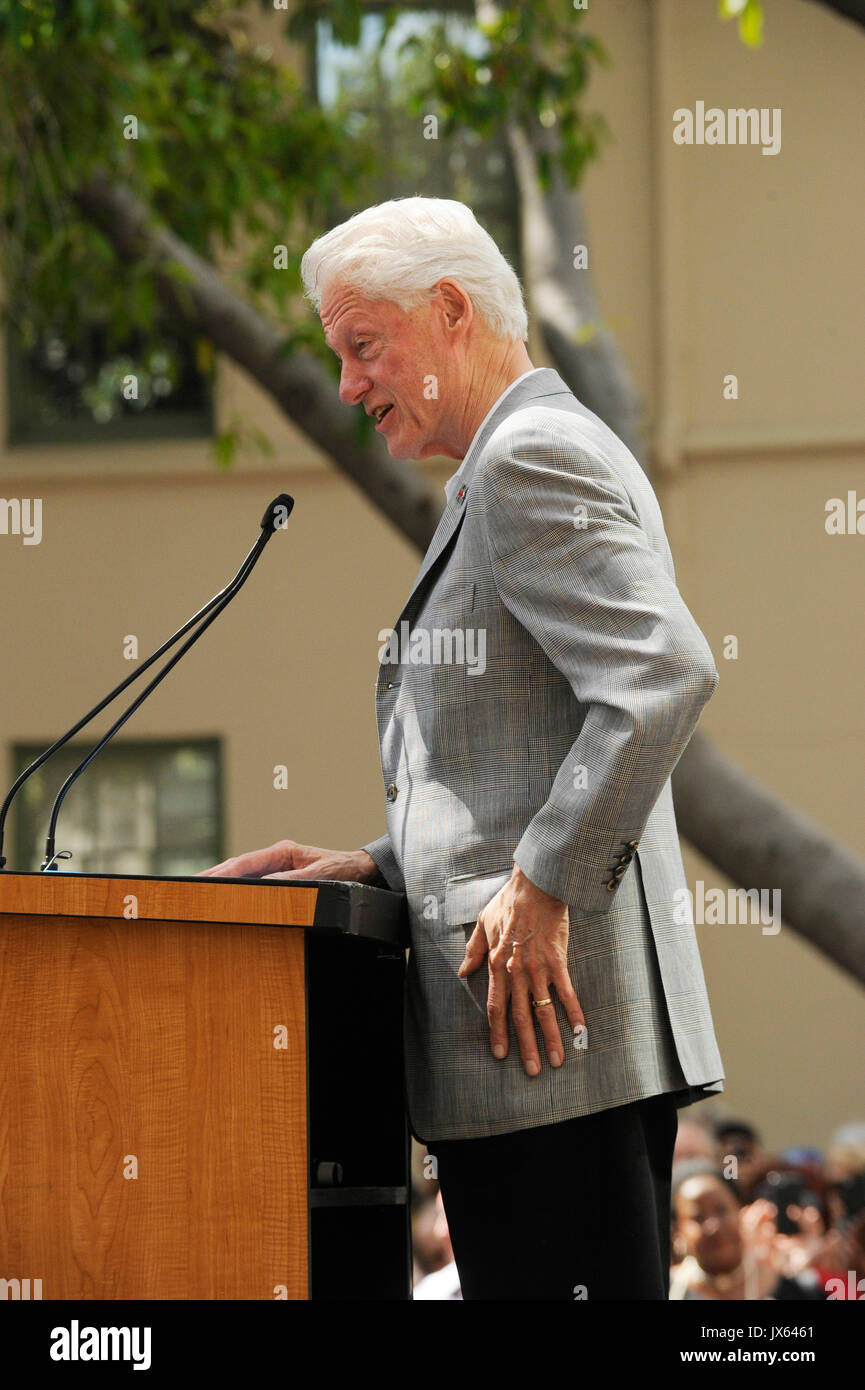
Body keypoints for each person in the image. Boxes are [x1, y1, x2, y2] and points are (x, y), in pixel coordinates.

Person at [201, 197, 724, 1300]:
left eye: (362, 345)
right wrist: (375, 866)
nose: (347, 386)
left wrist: (543, 880)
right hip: (540, 1055)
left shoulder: (529, 454)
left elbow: (661, 674)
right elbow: (515, 760)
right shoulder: (522, 456)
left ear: (448, 310)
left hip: (551, 1056)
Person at [669, 1162, 828, 1300]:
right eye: (697, 1217)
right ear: (677, 1231)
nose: (713, 1226)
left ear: (741, 1211)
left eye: (722, 1210)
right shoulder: (666, 1290)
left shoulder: (794, 1284)